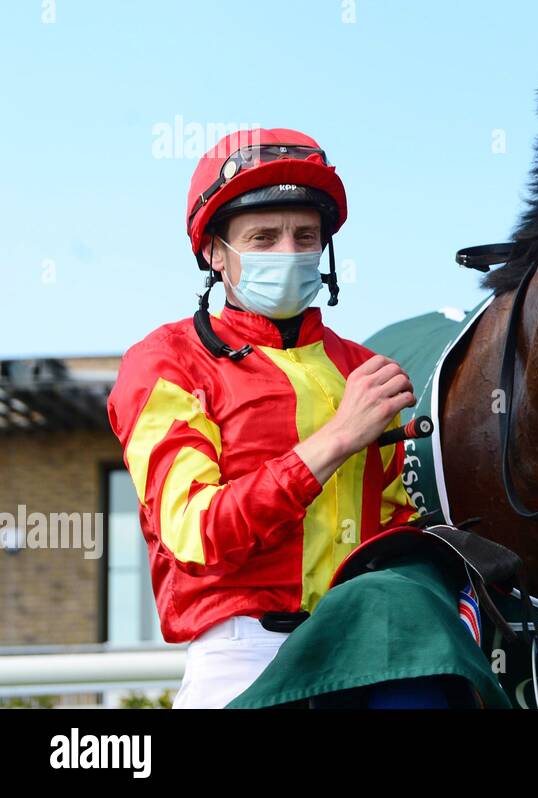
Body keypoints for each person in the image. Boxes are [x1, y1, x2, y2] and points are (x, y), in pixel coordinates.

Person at [107, 128, 420, 708]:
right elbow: (195, 532)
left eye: (305, 236)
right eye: (263, 237)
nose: (289, 252)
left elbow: (398, 529)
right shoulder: (166, 361)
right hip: (241, 658)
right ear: (214, 252)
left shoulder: (364, 368)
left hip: (365, 654)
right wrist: (336, 440)